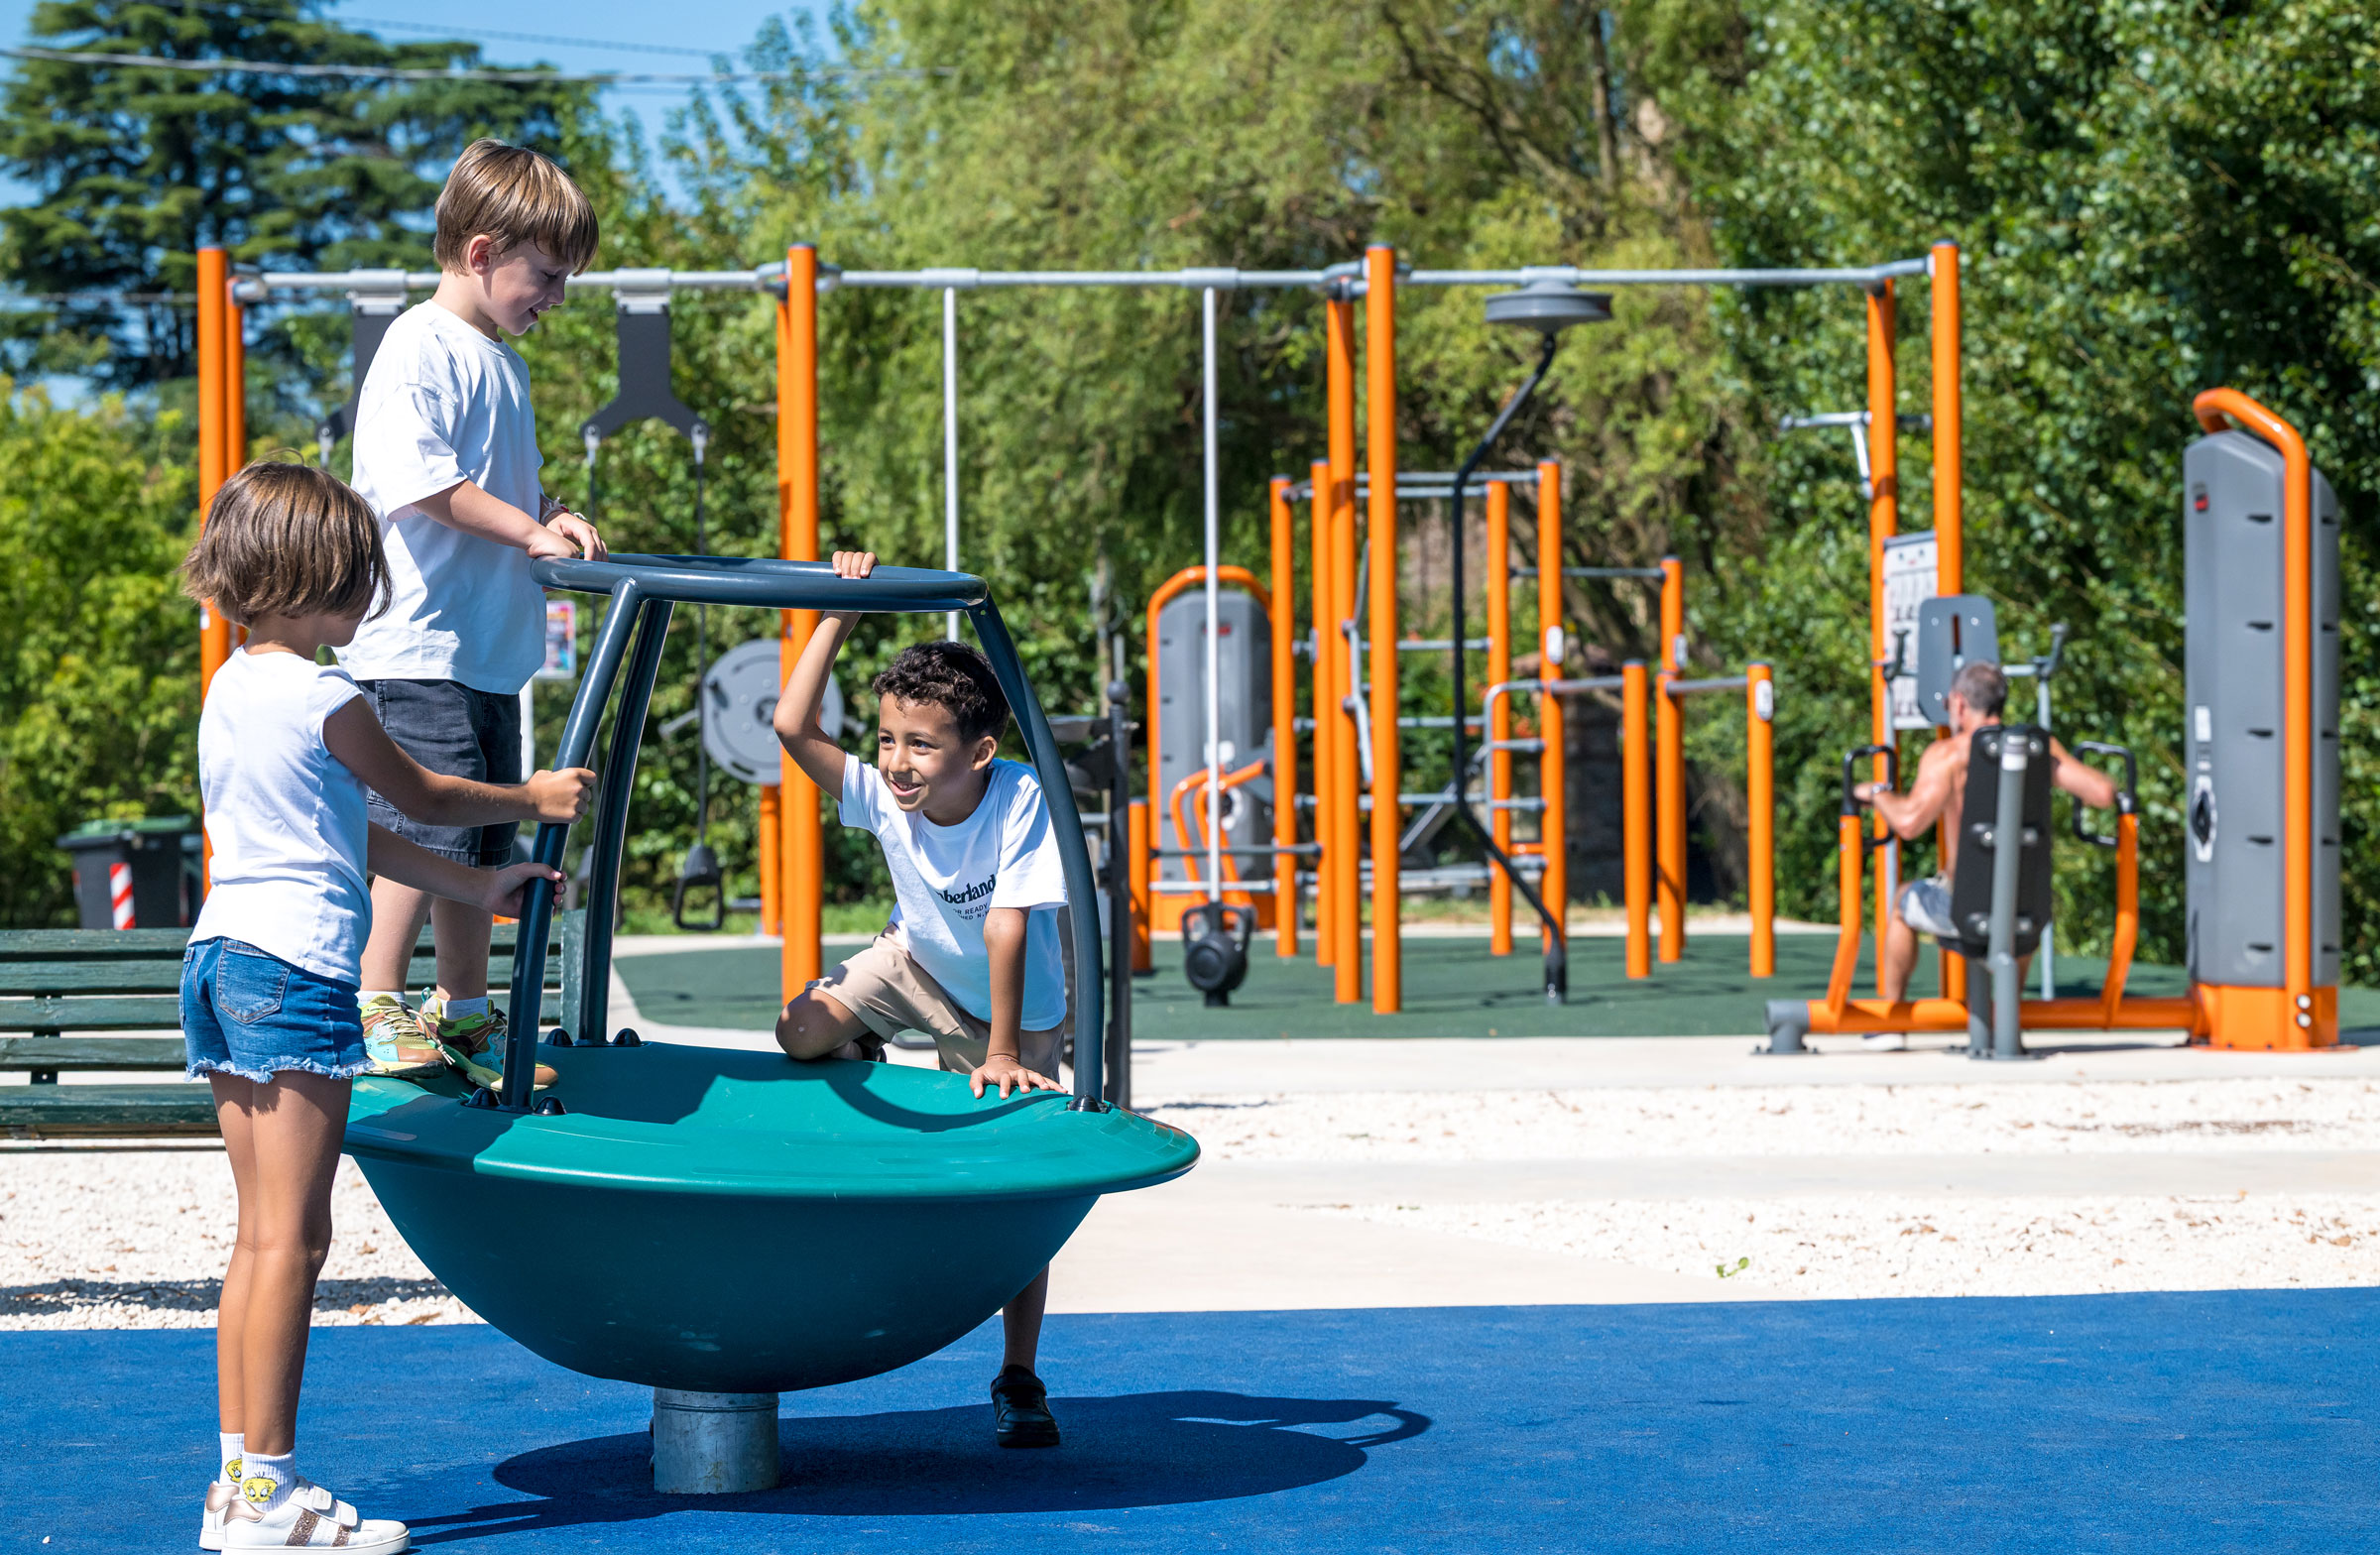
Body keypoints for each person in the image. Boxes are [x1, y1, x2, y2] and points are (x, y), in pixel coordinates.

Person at [178, 462, 595, 1551]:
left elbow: (342, 832)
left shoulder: (232, 687)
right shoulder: (327, 696)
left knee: (260, 1234)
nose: (375, 596)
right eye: (364, 577)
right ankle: (267, 1494)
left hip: (222, 957)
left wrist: (472, 883)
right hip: (293, 967)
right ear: (320, 579)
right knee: (295, 1239)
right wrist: (532, 800)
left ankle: (238, 1484)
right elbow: (423, 793)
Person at [771, 550, 1072, 1450]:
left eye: (922, 745)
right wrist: (839, 609)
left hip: (1014, 1008)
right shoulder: (884, 793)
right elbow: (792, 726)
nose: (898, 763)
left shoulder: (1019, 797)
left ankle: (1019, 1373)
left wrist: (1007, 1053)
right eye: (890, 739)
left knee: (1016, 1189)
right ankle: (864, 1038)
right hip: (915, 964)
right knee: (798, 1034)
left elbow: (1008, 927)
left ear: (978, 751)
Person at [336, 137, 606, 1085]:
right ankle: (373, 1001)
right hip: (417, 646)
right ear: (484, 251)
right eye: (547, 275)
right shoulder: (418, 345)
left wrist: (548, 512)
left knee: (482, 833)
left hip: (482, 652)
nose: (556, 298)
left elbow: (498, 486)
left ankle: (462, 1010)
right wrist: (528, 535)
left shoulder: (503, 362)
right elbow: (423, 484)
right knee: (424, 824)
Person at [1857, 660, 2117, 1041]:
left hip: (1965, 908)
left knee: (1901, 902)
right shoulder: (2037, 747)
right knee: (2018, 908)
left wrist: (1876, 794)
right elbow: (2103, 793)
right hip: (2028, 907)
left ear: (1959, 704)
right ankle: (2004, 1021)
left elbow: (1910, 823)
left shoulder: (1948, 755)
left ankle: (1891, 1022)